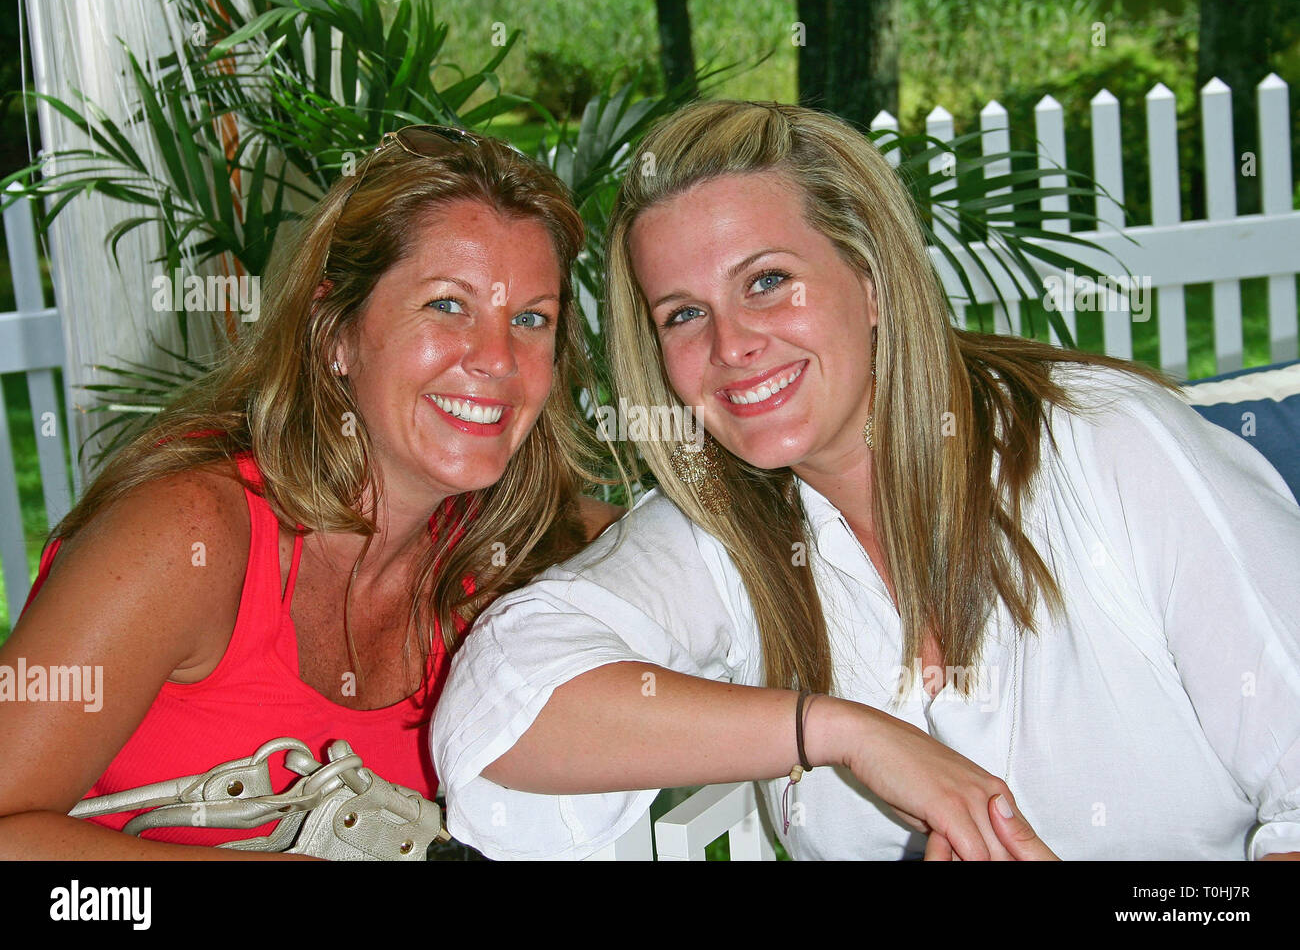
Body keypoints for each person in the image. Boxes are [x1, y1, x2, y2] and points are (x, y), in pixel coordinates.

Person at [431, 100, 1300, 860]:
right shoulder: (723, 530)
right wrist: (843, 732)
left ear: (875, 281)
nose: (731, 347)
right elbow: (501, 701)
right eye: (685, 314)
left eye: (768, 281)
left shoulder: (1110, 447)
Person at [0, 125, 624, 858]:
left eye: (529, 319)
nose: (495, 358)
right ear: (335, 332)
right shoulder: (186, 538)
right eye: (447, 305)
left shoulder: (509, 552)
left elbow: (706, 566)